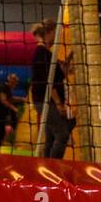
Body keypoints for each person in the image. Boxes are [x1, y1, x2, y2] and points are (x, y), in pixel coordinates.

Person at [29, 22, 75, 160]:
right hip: (45, 101)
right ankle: (54, 166)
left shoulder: (47, 54)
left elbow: (60, 73)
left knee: (51, 137)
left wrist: (71, 56)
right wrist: (58, 103)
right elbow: (49, 82)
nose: (56, 38)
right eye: (55, 34)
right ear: (48, 33)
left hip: (45, 100)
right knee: (62, 134)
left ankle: (46, 166)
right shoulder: (42, 53)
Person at [0, 71, 21, 147]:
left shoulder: (6, 88)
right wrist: (14, 108)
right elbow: (3, 100)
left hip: (0, 112)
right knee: (0, 129)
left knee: (1, 129)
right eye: (14, 82)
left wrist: (22, 99)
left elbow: (10, 98)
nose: (15, 84)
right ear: (11, 81)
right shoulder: (4, 87)